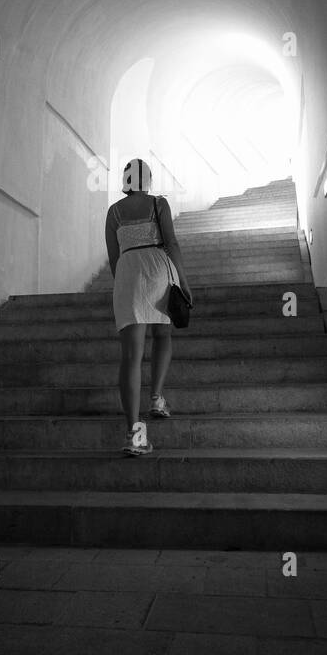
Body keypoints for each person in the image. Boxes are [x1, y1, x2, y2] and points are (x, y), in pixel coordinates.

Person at [105, 158, 193, 455]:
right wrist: (183, 281)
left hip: (128, 272)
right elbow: (172, 243)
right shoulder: (159, 204)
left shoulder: (114, 212)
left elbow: (113, 258)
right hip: (158, 268)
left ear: (126, 179)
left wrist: (127, 286)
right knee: (162, 336)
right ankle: (156, 398)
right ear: (148, 180)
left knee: (131, 355)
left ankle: (133, 434)